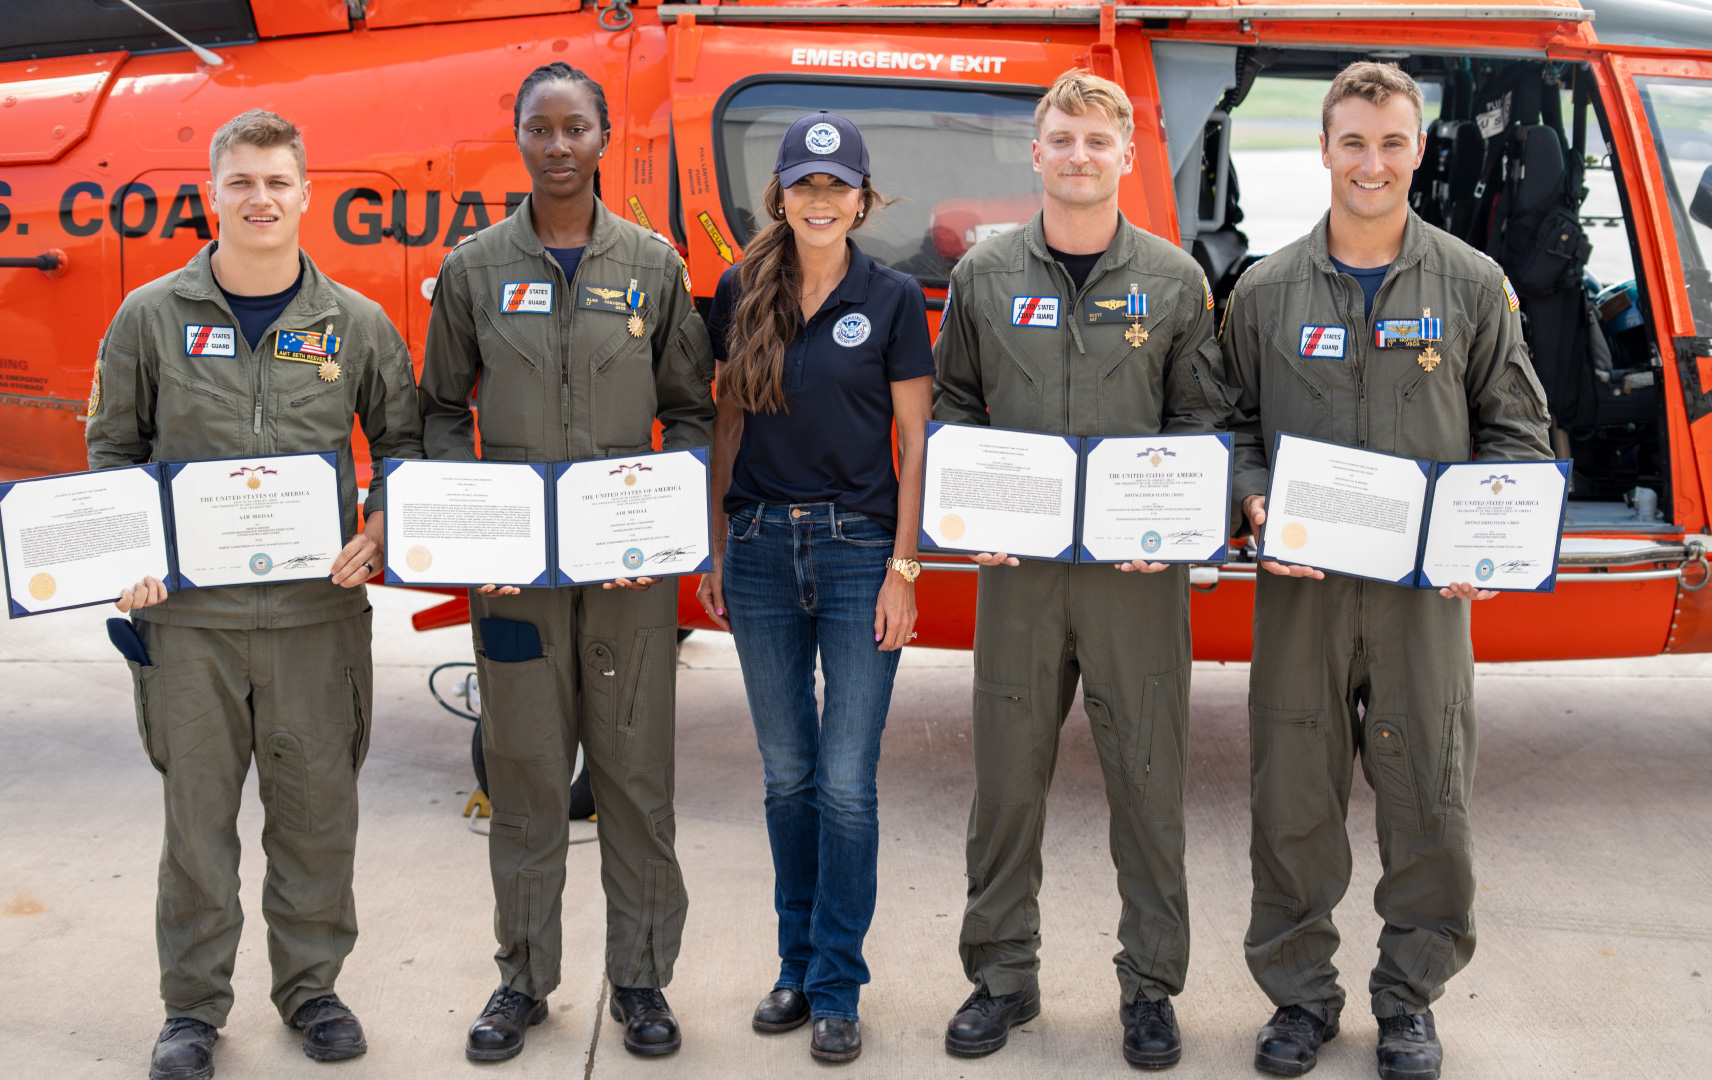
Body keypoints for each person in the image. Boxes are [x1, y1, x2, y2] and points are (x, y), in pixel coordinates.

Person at [1221, 62, 1552, 1080]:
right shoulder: (1264, 291)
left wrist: (1491, 539)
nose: (1372, 163)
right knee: (1292, 800)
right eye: (1354, 142)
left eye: (1392, 142)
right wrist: (1251, 495)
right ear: (1323, 148)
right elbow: (1229, 425)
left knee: (1429, 799)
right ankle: (1299, 999)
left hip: (1421, 601)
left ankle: (1409, 1001)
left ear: (1418, 150)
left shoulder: (1471, 284)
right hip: (1303, 597)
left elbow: (1517, 431)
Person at [86, 109, 424, 1080]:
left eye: (278, 182)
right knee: (196, 827)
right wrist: (131, 554)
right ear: (213, 195)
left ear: (306, 195)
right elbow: (112, 449)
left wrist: (379, 529)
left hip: (317, 619)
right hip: (189, 623)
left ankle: (311, 991)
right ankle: (191, 1009)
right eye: (241, 181)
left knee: (316, 817)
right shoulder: (150, 317)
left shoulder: (355, 324)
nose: (260, 198)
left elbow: (402, 448)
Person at [932, 69, 1229, 1068]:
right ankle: (1000, 978)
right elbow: (954, 407)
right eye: (1061, 139)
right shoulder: (983, 275)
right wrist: (967, 504)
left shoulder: (1174, 279)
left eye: (1097, 141)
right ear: (1035, 153)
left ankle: (1149, 988)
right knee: (1005, 785)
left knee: (1148, 784)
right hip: (1017, 573)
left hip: (1133, 581)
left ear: (1127, 157)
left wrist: (1173, 523)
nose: (1077, 156)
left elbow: (1199, 420)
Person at [418, 62, 715, 1061]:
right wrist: (474, 534)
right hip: (514, 584)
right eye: (540, 128)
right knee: (526, 781)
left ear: (601, 137)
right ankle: (522, 981)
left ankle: (641, 980)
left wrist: (661, 530)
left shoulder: (652, 265)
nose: (557, 145)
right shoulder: (472, 270)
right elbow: (437, 412)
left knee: (635, 781)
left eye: (574, 127)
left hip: (627, 579)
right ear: (518, 137)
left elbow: (689, 412)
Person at [694, 111, 934, 1063]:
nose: (821, 201)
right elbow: (726, 424)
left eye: (838, 187)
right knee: (787, 774)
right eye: (805, 186)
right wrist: (717, 546)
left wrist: (904, 568)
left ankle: (837, 982)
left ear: (862, 200)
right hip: (758, 548)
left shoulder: (894, 297)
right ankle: (793, 966)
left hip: (856, 551)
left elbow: (914, 443)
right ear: (781, 197)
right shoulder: (739, 288)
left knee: (845, 783)